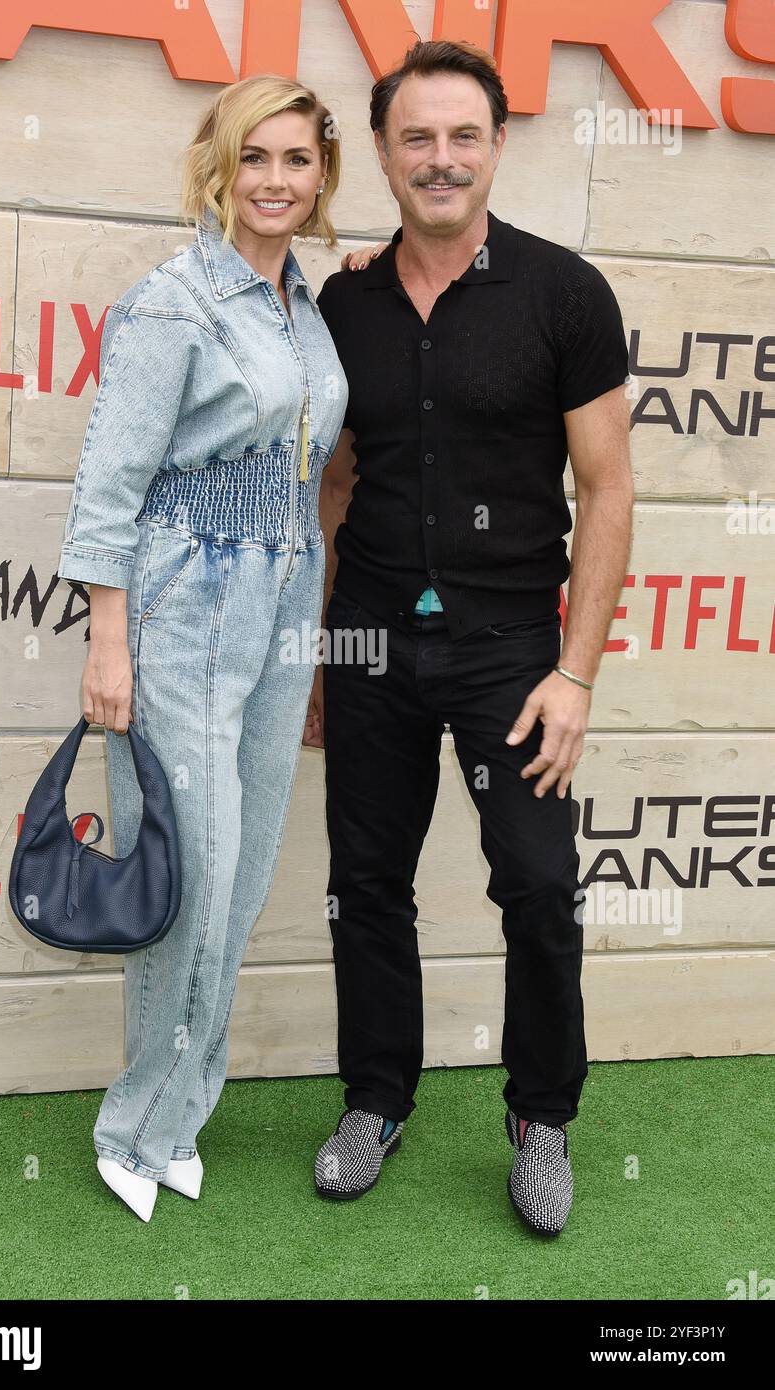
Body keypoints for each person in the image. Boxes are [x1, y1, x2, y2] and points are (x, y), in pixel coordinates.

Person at [303, 39, 633, 1235]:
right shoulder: (340, 301)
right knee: (366, 886)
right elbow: (336, 486)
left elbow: (608, 489)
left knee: (540, 887)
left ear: (497, 145)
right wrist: (322, 657)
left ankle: (540, 1117)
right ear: (383, 153)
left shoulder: (565, 295)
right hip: (371, 636)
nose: (440, 159)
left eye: (463, 136)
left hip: (511, 649)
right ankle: (376, 1098)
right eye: (415, 138)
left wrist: (576, 672)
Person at [56, 74, 348, 1222]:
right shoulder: (173, 302)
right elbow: (107, 488)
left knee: (244, 872)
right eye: (254, 157)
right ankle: (133, 1122)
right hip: (180, 610)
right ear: (217, 168)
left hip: (280, 605)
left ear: (323, 174)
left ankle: (182, 1111)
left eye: (297, 159)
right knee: (189, 876)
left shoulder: (306, 310)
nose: (275, 180)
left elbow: (307, 457)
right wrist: (108, 643)